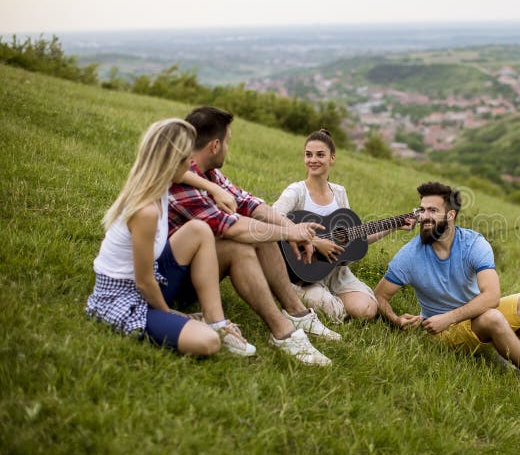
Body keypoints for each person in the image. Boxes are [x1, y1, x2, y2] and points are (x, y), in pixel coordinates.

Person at [373, 181, 520, 405]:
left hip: (466, 318)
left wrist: (450, 317)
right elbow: (379, 296)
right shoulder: (410, 255)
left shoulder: (473, 243)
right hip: (443, 334)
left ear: (450, 215)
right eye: (422, 210)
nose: (424, 216)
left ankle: (506, 353)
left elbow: (492, 296)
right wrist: (396, 320)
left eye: (433, 210)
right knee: (493, 318)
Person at [168, 106, 340, 366]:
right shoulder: (182, 182)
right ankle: (284, 333)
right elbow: (231, 227)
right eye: (227, 142)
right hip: (170, 280)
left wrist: (290, 228)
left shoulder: (207, 173)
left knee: (260, 226)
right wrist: (287, 231)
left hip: (195, 266)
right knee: (242, 245)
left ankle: (297, 312)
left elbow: (248, 202)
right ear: (215, 145)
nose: (228, 147)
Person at [86, 118, 256, 356]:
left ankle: (217, 322)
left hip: (147, 279)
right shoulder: (146, 212)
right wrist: (171, 314)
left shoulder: (157, 182)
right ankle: (202, 327)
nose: (192, 163)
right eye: (187, 157)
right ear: (172, 162)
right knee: (207, 342)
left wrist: (214, 188)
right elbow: (143, 282)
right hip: (120, 297)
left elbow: (186, 176)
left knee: (199, 229)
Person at [272, 129, 414, 322]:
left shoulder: (339, 193)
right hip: (300, 272)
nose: (313, 160)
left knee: (367, 310)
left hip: (336, 273)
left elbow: (354, 238)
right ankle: (302, 298)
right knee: (333, 311)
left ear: (332, 158)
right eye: (308, 154)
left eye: (320, 155)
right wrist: (314, 241)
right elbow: (273, 216)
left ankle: (329, 299)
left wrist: (394, 225)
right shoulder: (297, 191)